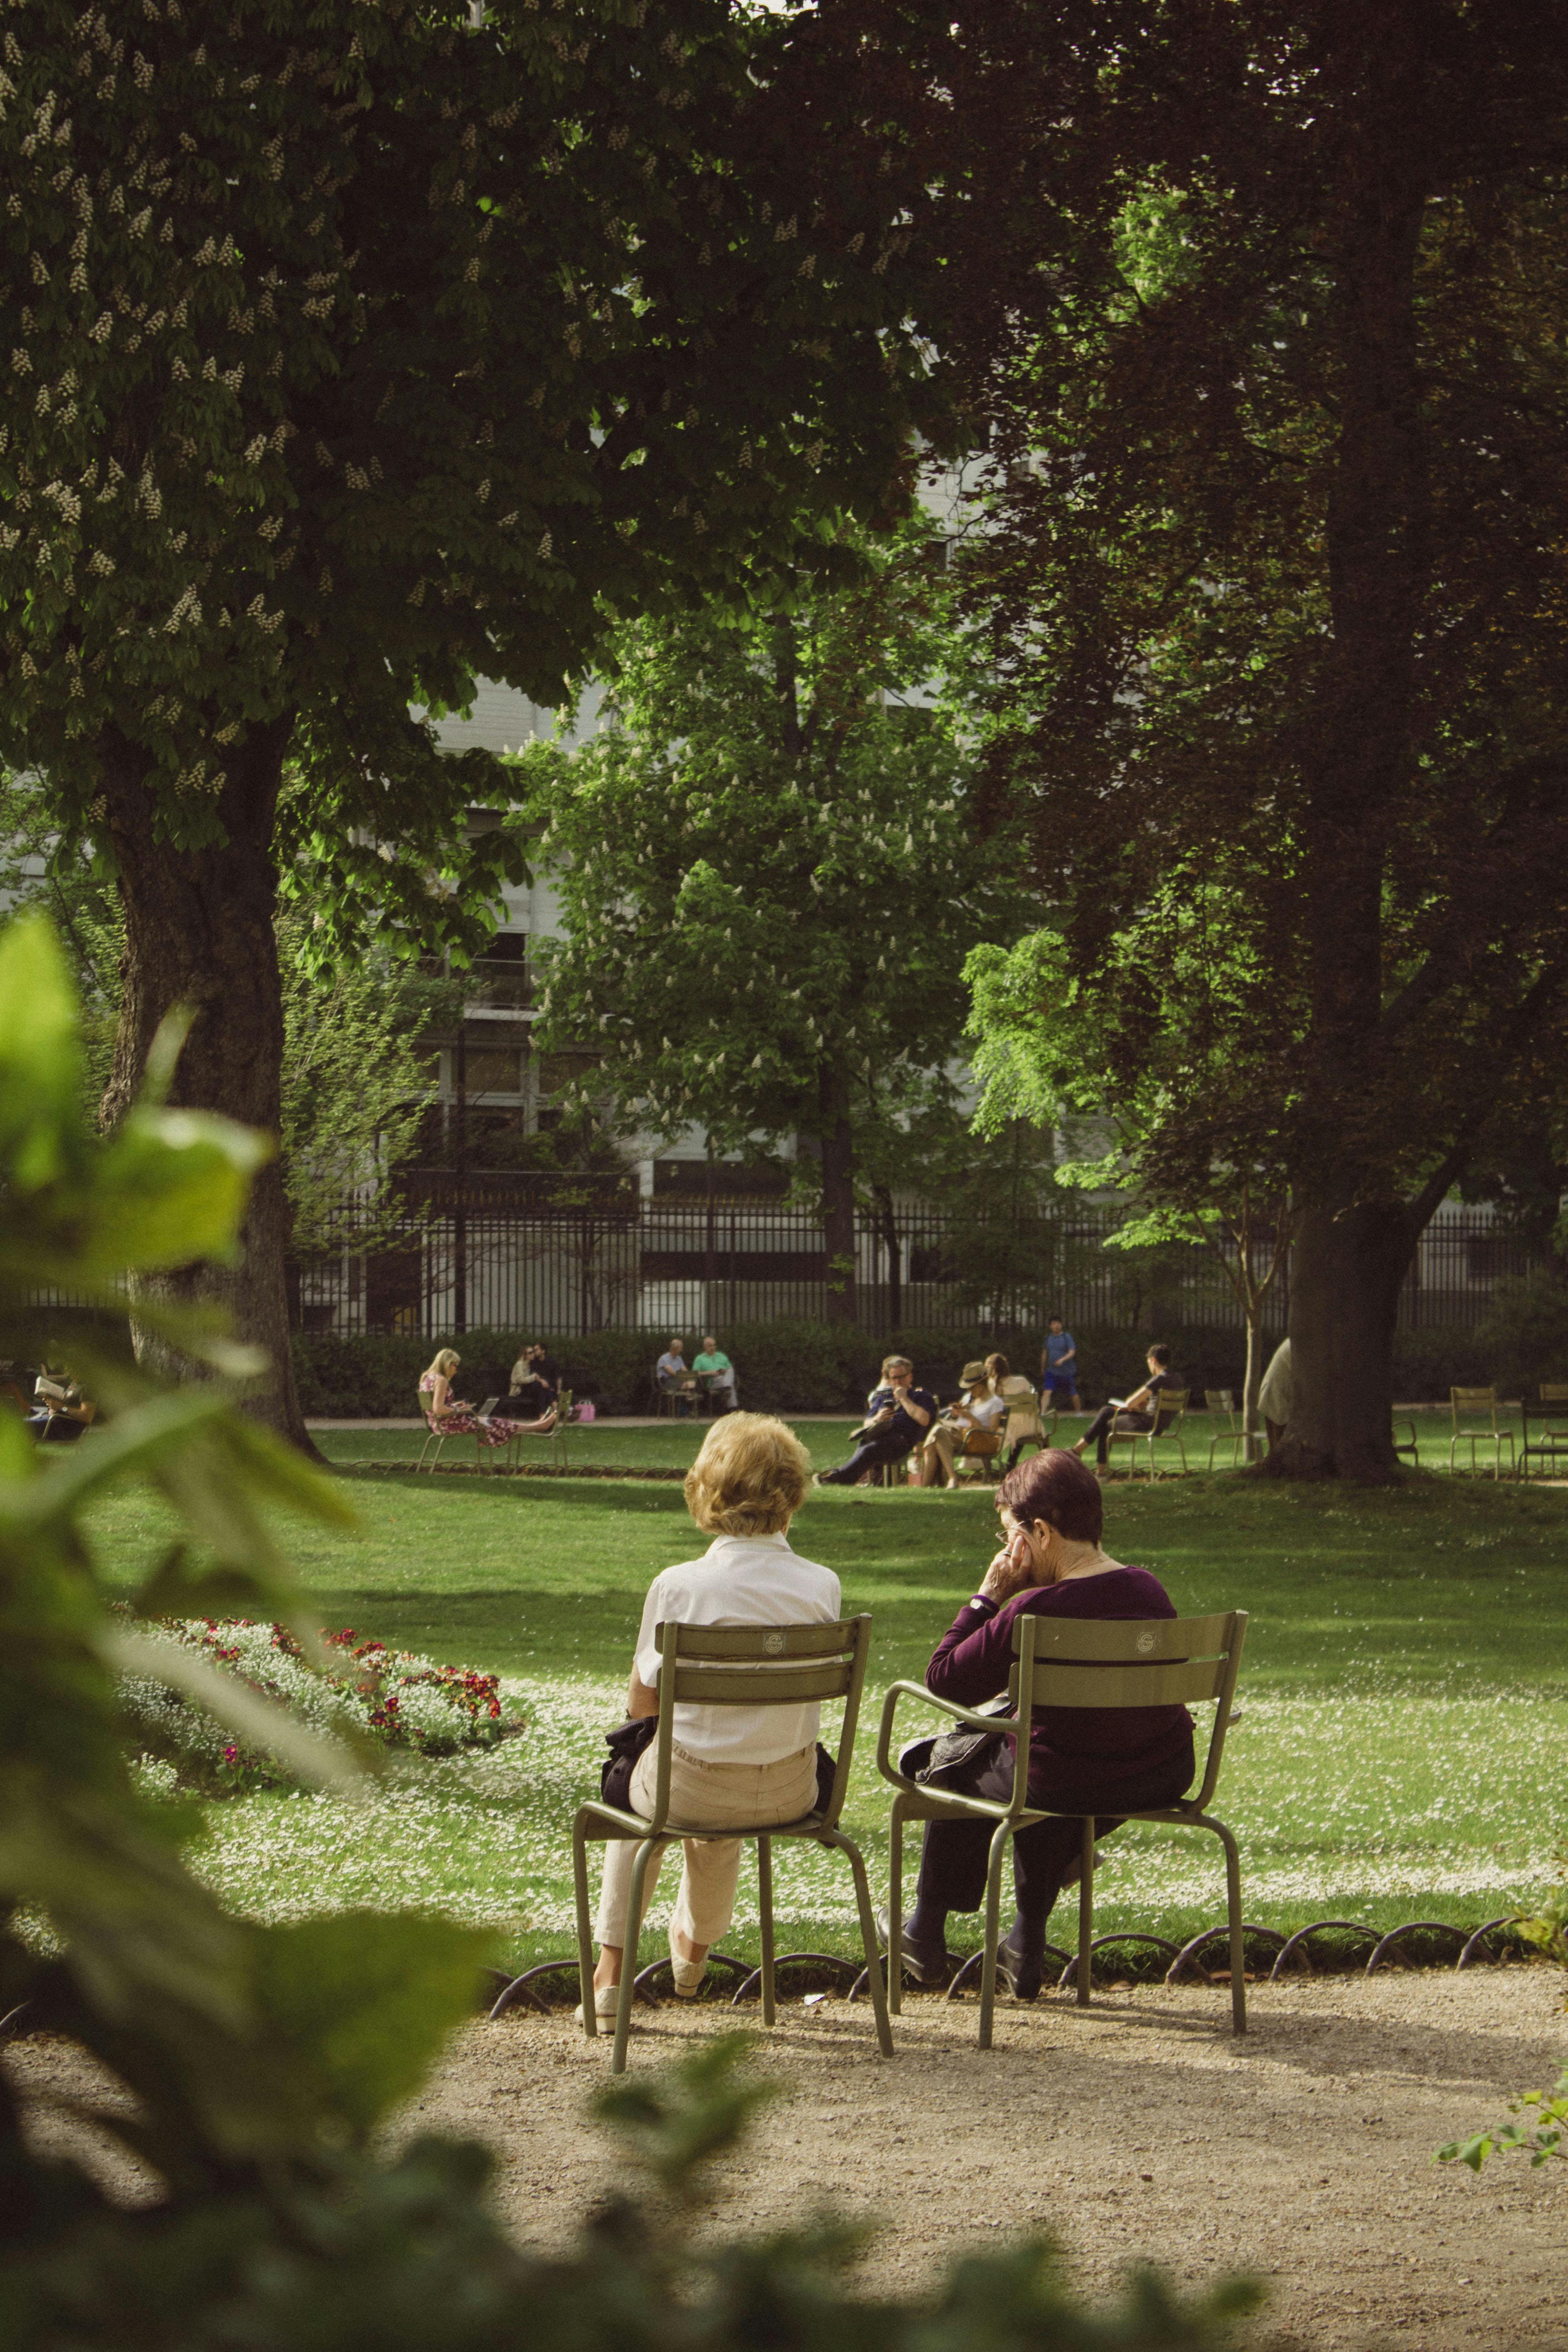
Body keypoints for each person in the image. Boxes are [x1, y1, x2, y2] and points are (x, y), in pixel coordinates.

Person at [884, 1449, 1195, 1999]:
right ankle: (1025, 1943)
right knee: (1044, 1764)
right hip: (1160, 1771)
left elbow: (945, 1679)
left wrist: (987, 1596)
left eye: (1011, 1536)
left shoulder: (1032, 1613)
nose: (1008, 1550)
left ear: (1043, 1533)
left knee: (964, 1764)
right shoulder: (1151, 1590)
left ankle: (923, 1931)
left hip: (1067, 1778)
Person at [583, 1413, 839, 2019]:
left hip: (691, 1787)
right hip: (791, 1790)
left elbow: (642, 1705)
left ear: (710, 1488)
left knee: (639, 1790)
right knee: (718, 1784)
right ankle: (693, 1953)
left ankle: (610, 1973)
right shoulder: (821, 1586)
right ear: (791, 1492)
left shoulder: (680, 1586)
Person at [813, 1354, 936, 1486]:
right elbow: (867, 1423)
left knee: (870, 1449)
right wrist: (878, 1419)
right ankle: (844, 1478)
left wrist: (904, 1399)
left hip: (902, 1441)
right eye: (895, 1378)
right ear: (889, 1379)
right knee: (865, 1444)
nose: (898, 1382)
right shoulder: (883, 1399)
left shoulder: (921, 1396)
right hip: (881, 1437)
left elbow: (924, 1420)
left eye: (902, 1377)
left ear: (910, 1377)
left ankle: (839, 1478)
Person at [1072, 1343, 1179, 1474]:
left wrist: (1134, 1404)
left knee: (1106, 1424)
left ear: (1153, 1360)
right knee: (1107, 1411)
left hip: (1147, 1423)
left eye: (1149, 1363)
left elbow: (1129, 1403)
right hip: (1160, 1424)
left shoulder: (1158, 1379)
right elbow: (1161, 1404)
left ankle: (1096, 1468)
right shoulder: (1177, 1379)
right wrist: (1145, 1405)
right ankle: (1078, 1451)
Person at [419, 1348, 553, 1450]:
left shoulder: (427, 1378)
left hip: (439, 1424)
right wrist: (460, 1409)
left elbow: (436, 1408)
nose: (456, 1369)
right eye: (455, 1365)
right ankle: (539, 1426)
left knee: (490, 1421)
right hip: (449, 1425)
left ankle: (536, 1426)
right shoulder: (441, 1380)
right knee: (494, 1423)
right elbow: (438, 1409)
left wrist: (457, 1406)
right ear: (446, 1364)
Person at [917, 1359, 1007, 1489]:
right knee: (935, 1436)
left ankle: (943, 1481)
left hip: (978, 1441)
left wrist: (971, 1418)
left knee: (936, 1434)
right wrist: (955, 1415)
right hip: (959, 1437)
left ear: (982, 1383)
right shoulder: (968, 1398)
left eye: (972, 1387)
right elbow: (959, 1422)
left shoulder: (995, 1402)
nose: (969, 1390)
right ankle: (936, 1484)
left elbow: (992, 1433)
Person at [987, 1352, 1049, 1470]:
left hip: (1005, 1429)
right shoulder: (1021, 1381)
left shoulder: (989, 1386)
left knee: (1014, 1427)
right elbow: (1034, 1407)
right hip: (1029, 1427)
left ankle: (1008, 1465)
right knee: (1037, 1430)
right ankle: (1050, 1464)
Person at [25, 1367, 94, 1445]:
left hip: (65, 1429)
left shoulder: (88, 1388)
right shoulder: (75, 1383)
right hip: (54, 1420)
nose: (69, 1373)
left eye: (71, 1369)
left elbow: (87, 1417)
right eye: (68, 1370)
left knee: (23, 1427)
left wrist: (62, 1408)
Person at [508, 1340, 559, 1417]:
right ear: (525, 1355)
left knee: (542, 1391)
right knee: (540, 1387)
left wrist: (539, 1380)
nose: (533, 1354)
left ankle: (542, 1415)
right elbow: (521, 1381)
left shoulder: (530, 1364)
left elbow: (537, 1378)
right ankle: (554, 1406)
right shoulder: (520, 1365)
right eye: (530, 1353)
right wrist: (534, 1377)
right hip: (519, 1390)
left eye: (533, 1352)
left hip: (531, 1389)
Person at [1258, 1337, 1292, 1453]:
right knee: (1279, 1450)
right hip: (1278, 1394)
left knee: (1278, 1450)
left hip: (1278, 1393)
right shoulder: (1301, 1344)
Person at [1040, 1316, 1080, 1412]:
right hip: (1052, 1371)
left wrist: (1063, 1360)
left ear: (1061, 1325)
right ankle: (1043, 1412)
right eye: (1054, 1324)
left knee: (1072, 1393)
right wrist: (1042, 1367)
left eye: (1058, 1323)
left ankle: (1079, 1413)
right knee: (1047, 1392)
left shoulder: (1067, 1337)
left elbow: (1072, 1352)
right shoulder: (1048, 1338)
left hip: (1066, 1371)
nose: (1056, 1326)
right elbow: (1045, 1353)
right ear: (1050, 1326)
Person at [692, 1334, 738, 1413]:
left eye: (714, 1346)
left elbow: (729, 1369)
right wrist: (710, 1373)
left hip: (724, 1378)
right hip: (712, 1381)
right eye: (710, 1346)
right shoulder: (700, 1359)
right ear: (705, 1347)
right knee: (730, 1385)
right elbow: (695, 1373)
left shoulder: (721, 1356)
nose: (713, 1348)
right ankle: (733, 1410)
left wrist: (724, 1370)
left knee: (730, 1370)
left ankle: (727, 1389)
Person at [655, 1337, 697, 1415]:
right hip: (666, 1381)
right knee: (687, 1386)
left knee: (691, 1383)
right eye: (681, 1348)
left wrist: (690, 1377)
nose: (682, 1350)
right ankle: (688, 1406)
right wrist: (686, 1378)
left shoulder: (679, 1359)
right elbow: (673, 1373)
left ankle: (686, 1407)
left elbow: (685, 1371)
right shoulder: (664, 1359)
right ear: (675, 1348)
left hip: (678, 1380)